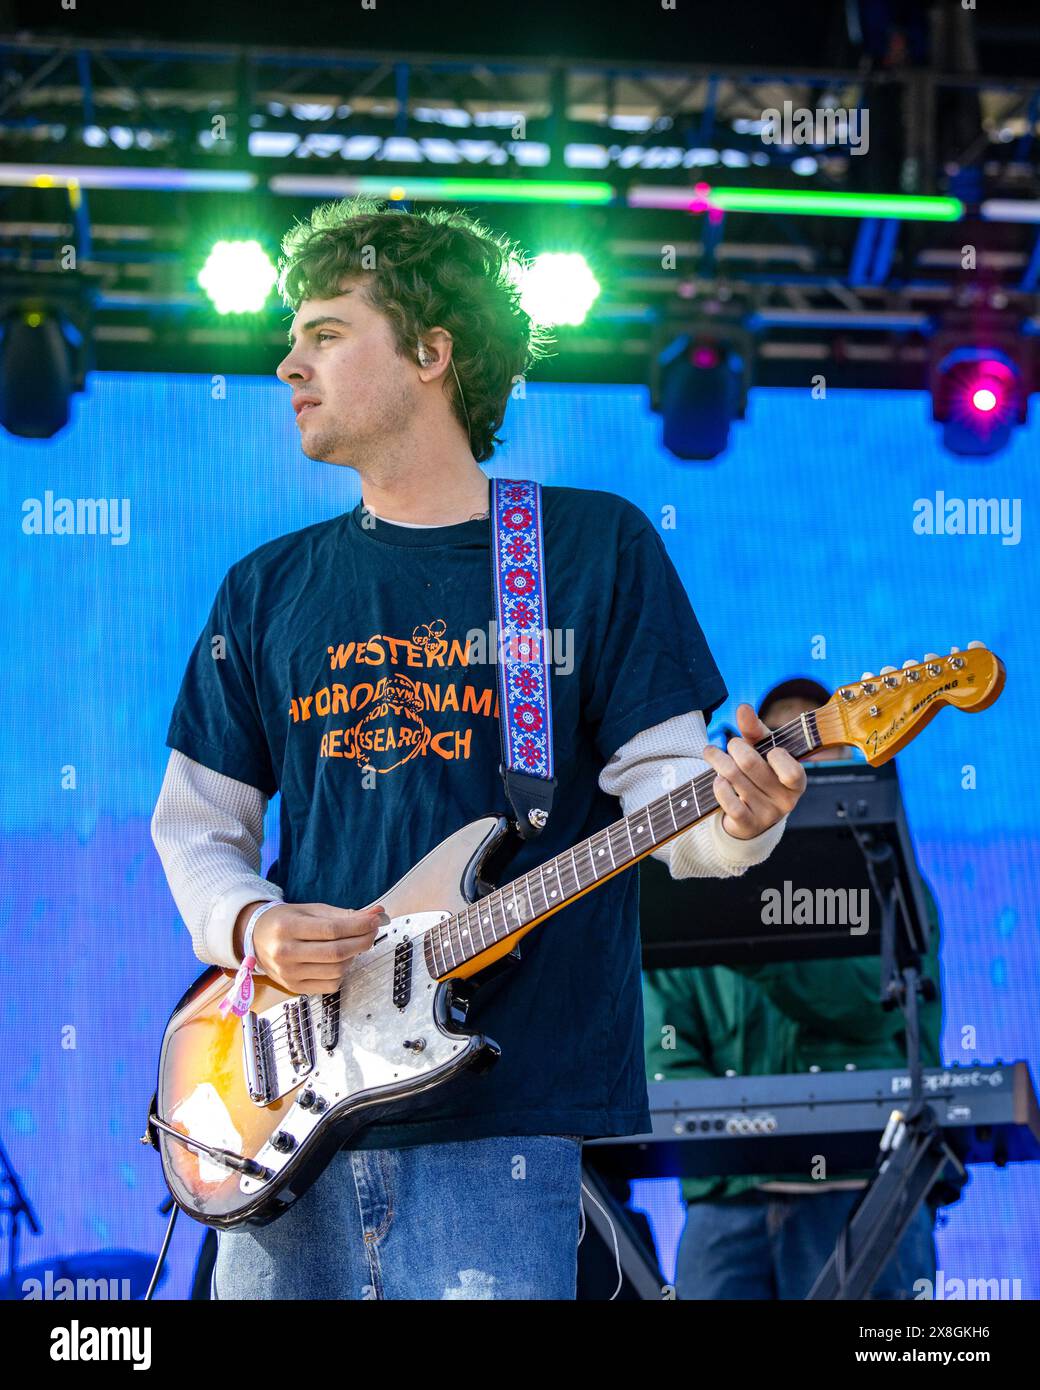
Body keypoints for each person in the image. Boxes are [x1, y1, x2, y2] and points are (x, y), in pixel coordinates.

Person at [150, 195, 807, 1301]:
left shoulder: (587, 547)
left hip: (500, 1127)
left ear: (429, 353)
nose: (284, 365)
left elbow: (670, 802)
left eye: (323, 332)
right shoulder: (265, 587)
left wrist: (742, 818)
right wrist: (255, 924)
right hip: (284, 1131)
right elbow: (197, 828)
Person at [643, 674, 944, 1301]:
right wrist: (737, 1133)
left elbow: (873, 1007)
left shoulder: (894, 886)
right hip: (727, 1204)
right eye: (781, 746)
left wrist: (749, 940)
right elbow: (665, 1049)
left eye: (817, 747)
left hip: (859, 1189)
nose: (795, 767)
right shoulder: (693, 886)